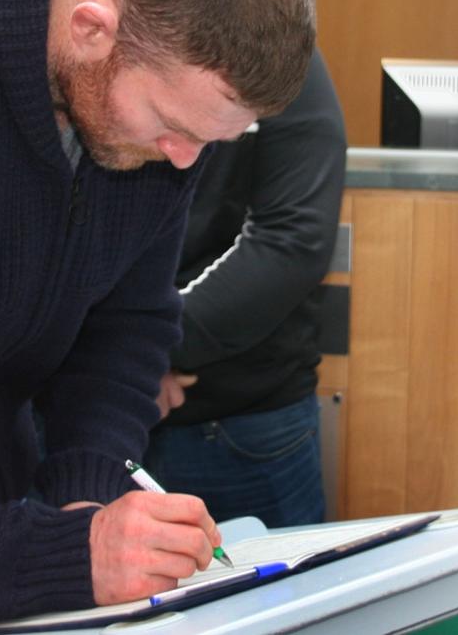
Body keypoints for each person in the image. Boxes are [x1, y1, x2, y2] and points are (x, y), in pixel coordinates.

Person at [0, 0, 316, 626]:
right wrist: (66, 554)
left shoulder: (161, 113)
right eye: (171, 126)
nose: (184, 163)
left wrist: (88, 495)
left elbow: (126, 321)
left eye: (213, 141)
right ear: (91, 28)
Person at [144, 48, 347, 528]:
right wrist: (120, 361)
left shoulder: (276, 42)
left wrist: (146, 349)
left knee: (277, 602)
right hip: (83, 417)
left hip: (242, 423)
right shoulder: (113, 42)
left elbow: (290, 244)